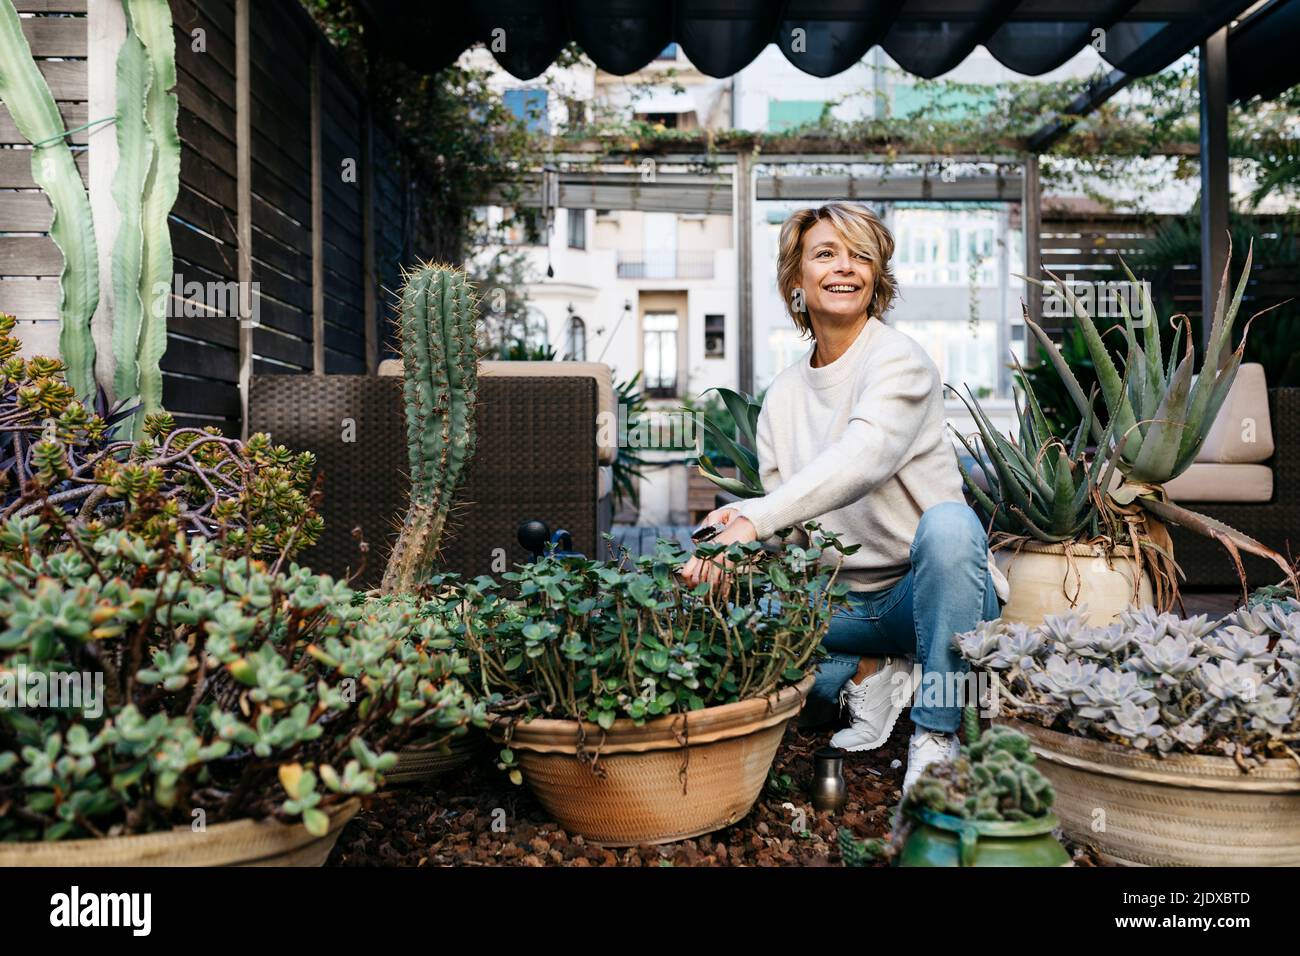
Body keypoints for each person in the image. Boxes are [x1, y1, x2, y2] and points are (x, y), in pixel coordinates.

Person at [680, 201, 1008, 792]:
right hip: (846, 607)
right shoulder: (782, 396)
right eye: (825, 254)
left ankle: (936, 735)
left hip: (931, 594)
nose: (844, 268)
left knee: (953, 527)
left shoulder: (899, 360)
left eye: (861, 256)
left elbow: (861, 459)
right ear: (797, 279)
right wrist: (736, 530)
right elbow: (792, 522)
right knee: (759, 643)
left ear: (877, 277)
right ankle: (872, 673)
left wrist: (756, 518)